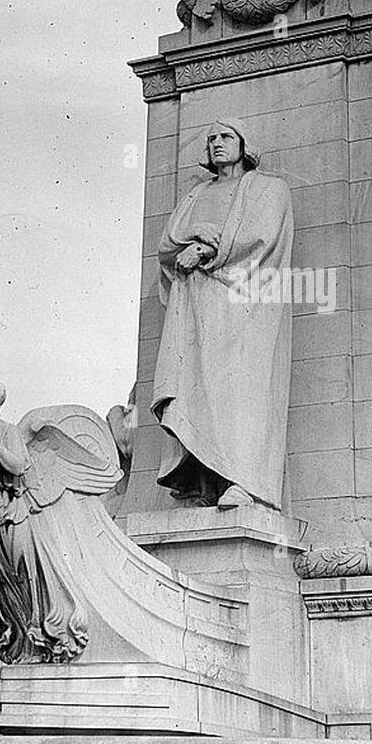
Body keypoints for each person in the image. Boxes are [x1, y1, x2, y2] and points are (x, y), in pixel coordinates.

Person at [152, 119, 293, 510]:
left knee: (238, 394)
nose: (216, 144)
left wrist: (208, 250)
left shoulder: (268, 188)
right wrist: (194, 237)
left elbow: (262, 236)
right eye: (211, 138)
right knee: (195, 392)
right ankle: (201, 481)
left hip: (244, 307)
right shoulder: (197, 194)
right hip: (195, 305)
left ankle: (241, 481)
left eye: (225, 137)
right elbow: (167, 242)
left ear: (244, 144)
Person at [0, 378, 121, 662]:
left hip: (9, 514)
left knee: (23, 571)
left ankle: (41, 630)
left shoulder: (6, 431)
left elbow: (20, 466)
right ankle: (19, 636)